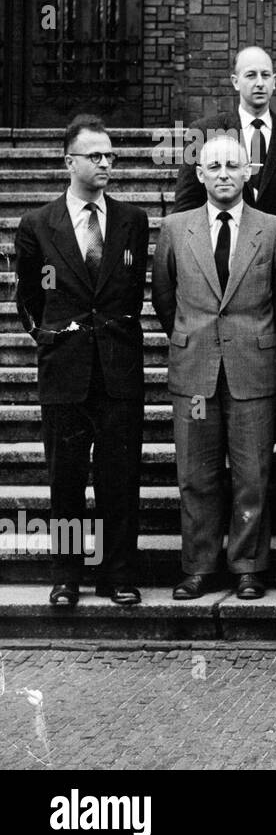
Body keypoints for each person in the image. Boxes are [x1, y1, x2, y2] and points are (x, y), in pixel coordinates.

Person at [152, 135, 276, 601]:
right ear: (199, 174)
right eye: (213, 166)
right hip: (195, 369)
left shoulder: (275, 230)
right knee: (195, 474)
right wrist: (192, 335)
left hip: (251, 367)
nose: (222, 174)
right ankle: (198, 566)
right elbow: (164, 297)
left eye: (232, 165)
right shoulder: (176, 228)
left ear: (249, 171)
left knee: (252, 473)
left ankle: (249, 566)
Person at [14, 115, 149, 607]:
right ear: (68, 161)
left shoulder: (132, 221)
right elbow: (28, 297)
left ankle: (118, 575)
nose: (106, 163)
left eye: (110, 155)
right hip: (65, 372)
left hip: (118, 369)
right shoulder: (37, 225)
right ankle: (66, 576)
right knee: (65, 480)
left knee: (120, 478)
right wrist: (48, 340)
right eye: (95, 156)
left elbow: (132, 292)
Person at [171, 46, 276, 223]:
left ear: (274, 82)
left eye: (265, 75)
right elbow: (187, 202)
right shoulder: (204, 131)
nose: (259, 83)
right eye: (250, 75)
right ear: (235, 82)